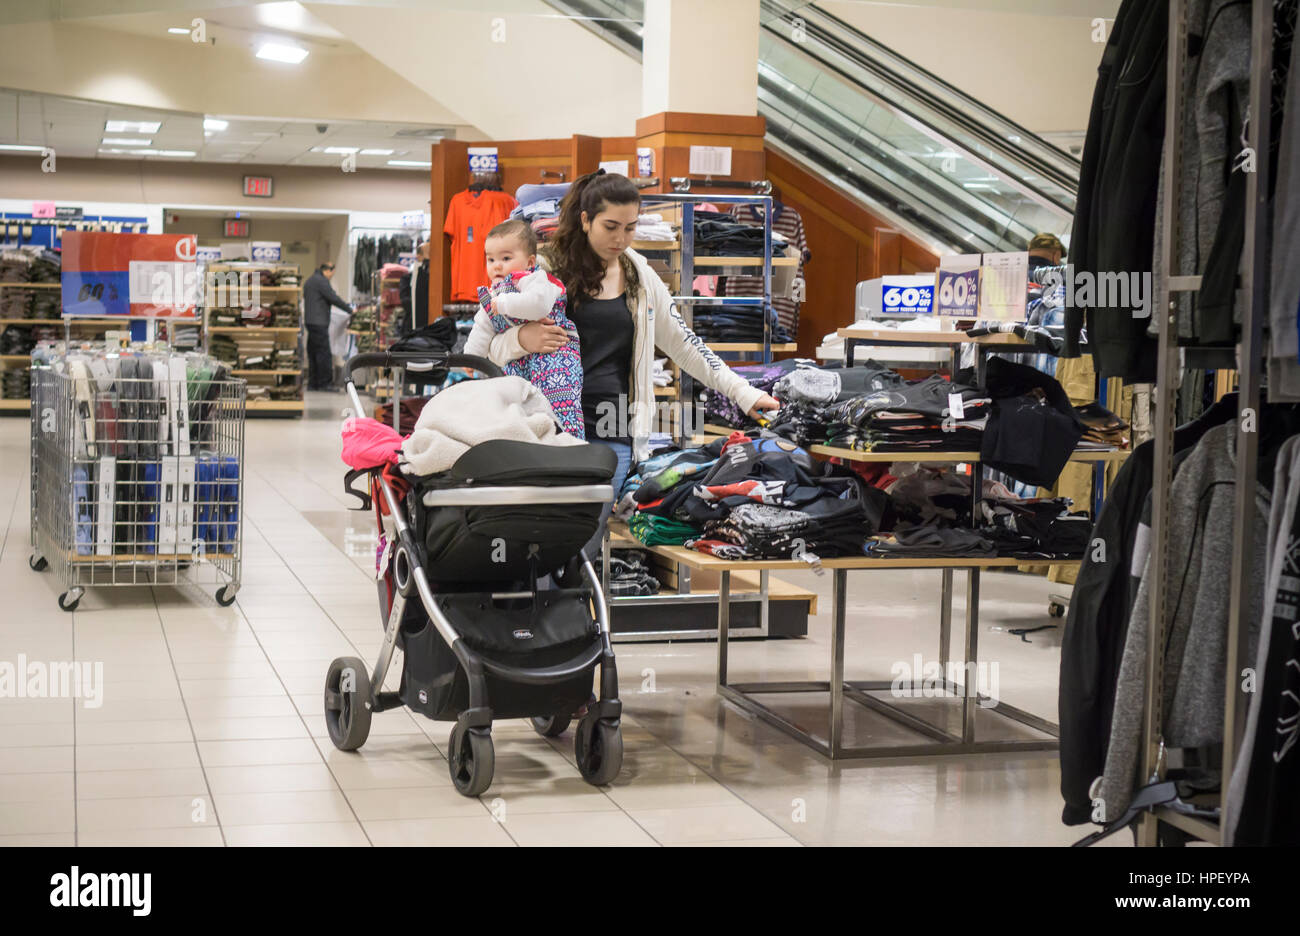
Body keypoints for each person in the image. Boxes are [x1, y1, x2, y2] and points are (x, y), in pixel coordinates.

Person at [480, 169, 780, 549]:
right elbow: (488, 346)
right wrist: (523, 337)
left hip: (613, 429)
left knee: (583, 548)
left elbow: (684, 344)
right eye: (611, 226)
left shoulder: (638, 273)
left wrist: (745, 393)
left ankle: (584, 608)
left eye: (630, 227)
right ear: (585, 220)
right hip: (545, 428)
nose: (621, 238)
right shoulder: (541, 269)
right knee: (540, 543)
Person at [463, 219, 584, 437]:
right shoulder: (493, 295)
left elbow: (538, 306)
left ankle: (570, 444)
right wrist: (472, 358)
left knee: (560, 407)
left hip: (554, 359)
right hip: (517, 367)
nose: (496, 265)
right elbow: (482, 328)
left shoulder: (536, 280)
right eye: (490, 259)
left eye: (506, 258)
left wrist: (503, 304)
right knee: (519, 415)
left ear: (529, 262)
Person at [303, 262, 352, 391]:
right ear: (328, 271)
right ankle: (325, 384)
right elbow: (333, 298)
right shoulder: (321, 281)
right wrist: (350, 310)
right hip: (319, 323)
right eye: (332, 274)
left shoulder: (310, 280)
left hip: (310, 322)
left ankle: (313, 383)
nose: (331, 277)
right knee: (324, 354)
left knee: (313, 353)